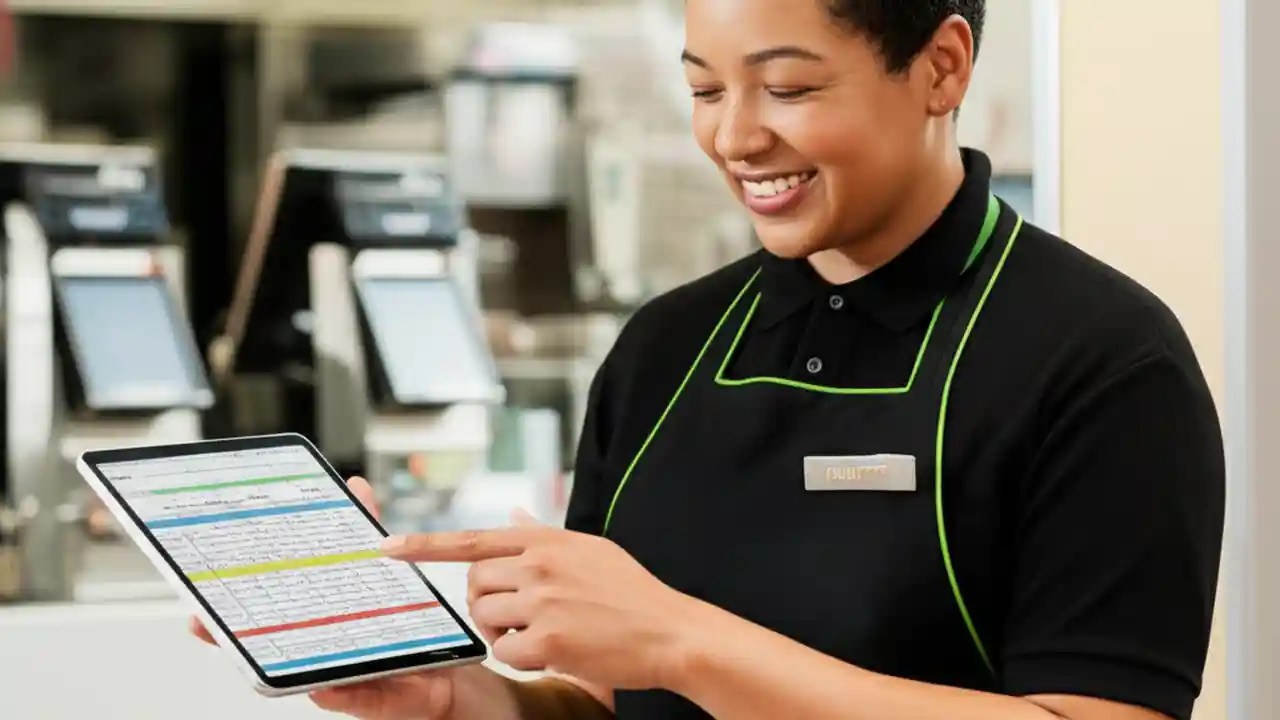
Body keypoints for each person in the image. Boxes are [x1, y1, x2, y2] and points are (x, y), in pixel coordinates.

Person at [194, 1, 1226, 718]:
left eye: (785, 87)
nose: (735, 136)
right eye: (702, 90)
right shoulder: (664, 349)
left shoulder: (1101, 361)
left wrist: (680, 641)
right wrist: (449, 701)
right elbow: (607, 708)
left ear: (941, 66)